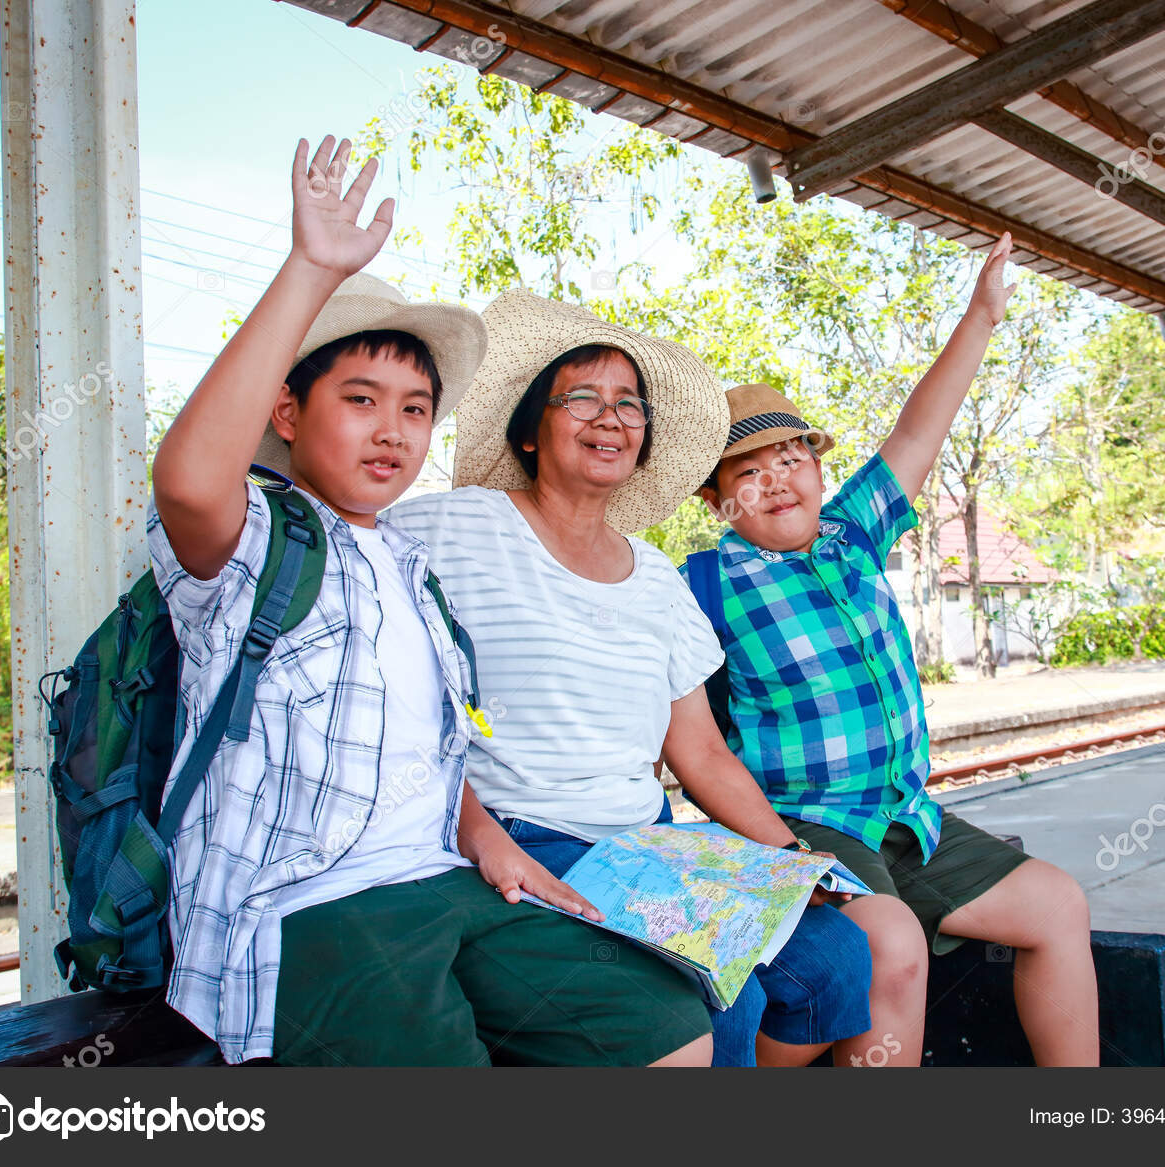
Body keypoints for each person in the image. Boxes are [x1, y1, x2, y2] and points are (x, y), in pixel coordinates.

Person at [147, 134, 711, 1067]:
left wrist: (492, 843)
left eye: (415, 408)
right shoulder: (260, 539)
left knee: (664, 1029)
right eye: (361, 399)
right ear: (288, 417)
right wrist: (312, 269)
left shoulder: (411, 567)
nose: (395, 430)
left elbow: (430, 751)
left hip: (441, 880)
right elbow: (191, 478)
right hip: (306, 907)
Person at [388, 289, 923, 1067]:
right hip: (521, 833)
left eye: (629, 405)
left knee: (837, 958)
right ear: (532, 430)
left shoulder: (658, 579)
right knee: (727, 1009)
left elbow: (701, 754)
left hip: (646, 844)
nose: (610, 418)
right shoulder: (452, 526)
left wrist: (791, 855)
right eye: (582, 399)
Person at [688, 232, 1101, 1066]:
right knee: (890, 944)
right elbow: (686, 732)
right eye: (748, 471)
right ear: (714, 500)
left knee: (1058, 903)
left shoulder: (853, 535)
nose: (778, 478)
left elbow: (923, 424)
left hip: (905, 817)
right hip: (806, 824)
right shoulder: (704, 583)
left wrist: (981, 316)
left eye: (792, 455)